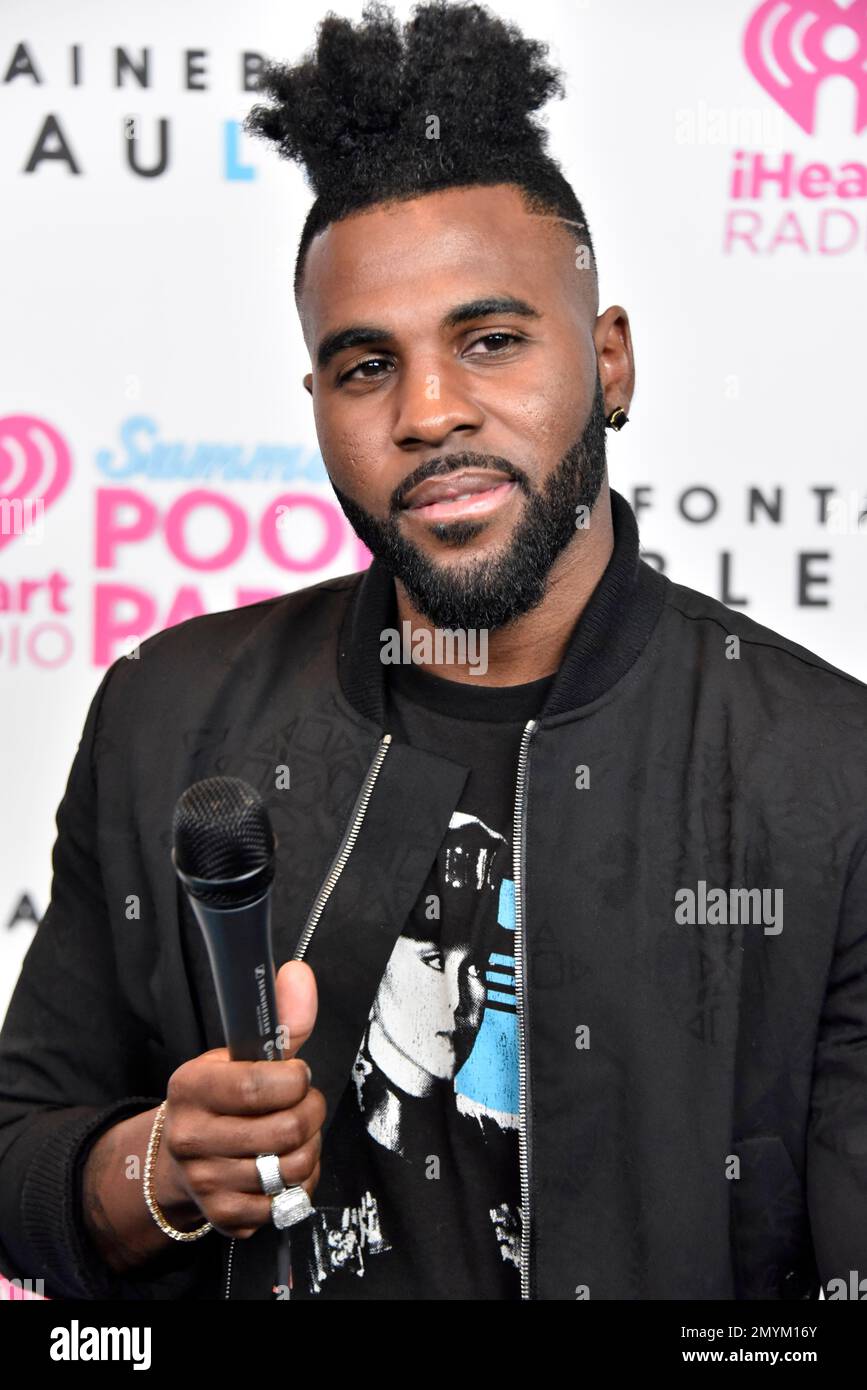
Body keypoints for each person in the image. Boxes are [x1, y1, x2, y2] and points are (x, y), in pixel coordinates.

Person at [1, 0, 866, 1301]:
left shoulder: (829, 772)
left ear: (610, 359)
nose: (431, 411)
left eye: (493, 338)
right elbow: (25, 1161)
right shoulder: (165, 714)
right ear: (315, 404)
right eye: (363, 366)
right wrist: (162, 1172)